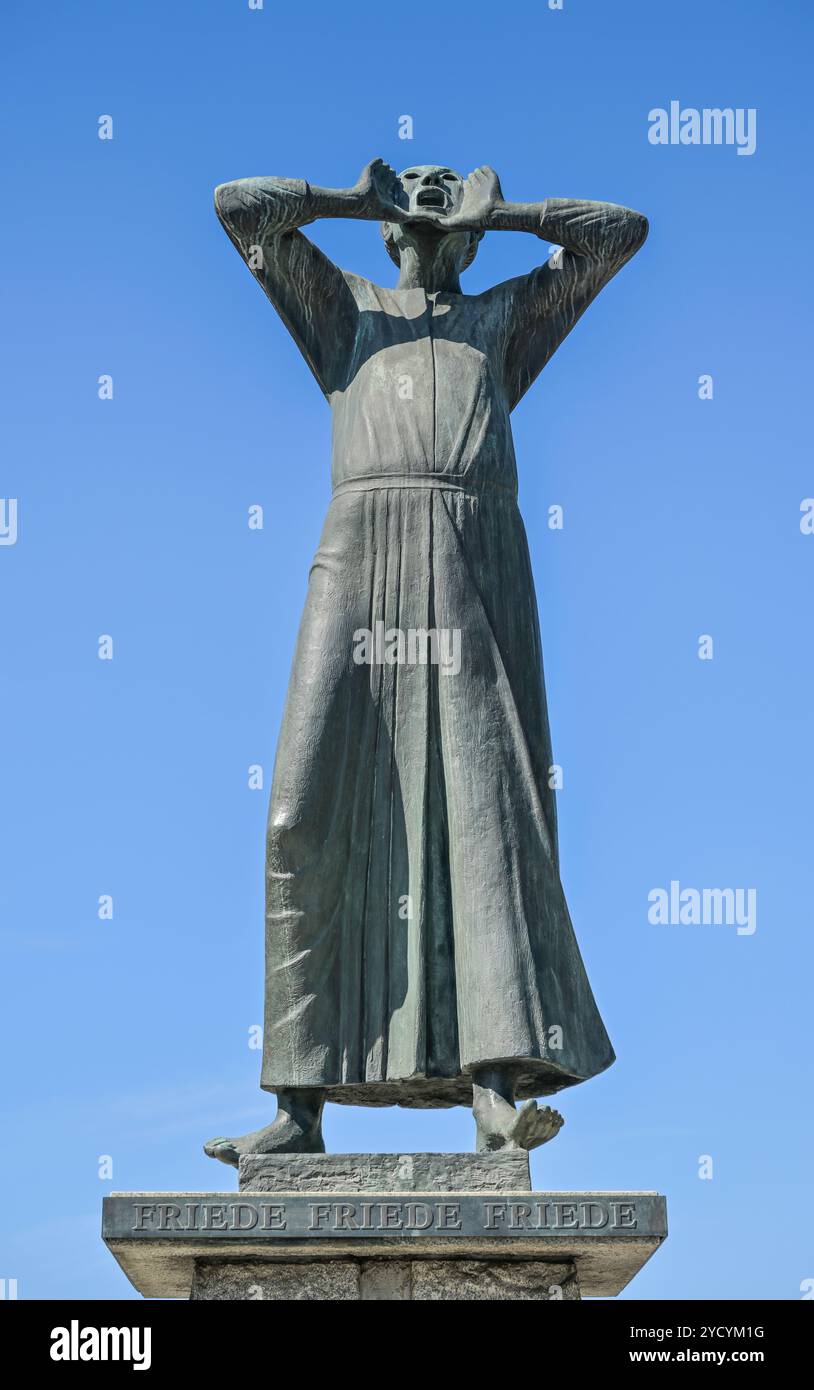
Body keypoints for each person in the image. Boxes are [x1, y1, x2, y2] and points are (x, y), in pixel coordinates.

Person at [204, 161, 648, 1163]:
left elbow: (618, 235)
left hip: (473, 561)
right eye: (416, 187)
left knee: (482, 818)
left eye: (450, 188)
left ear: (477, 226)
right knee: (301, 811)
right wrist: (357, 200)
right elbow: (238, 207)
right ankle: (298, 1105)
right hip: (361, 553)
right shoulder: (344, 312)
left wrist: (518, 212)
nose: (432, 193)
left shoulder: (504, 323)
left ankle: (496, 1091)